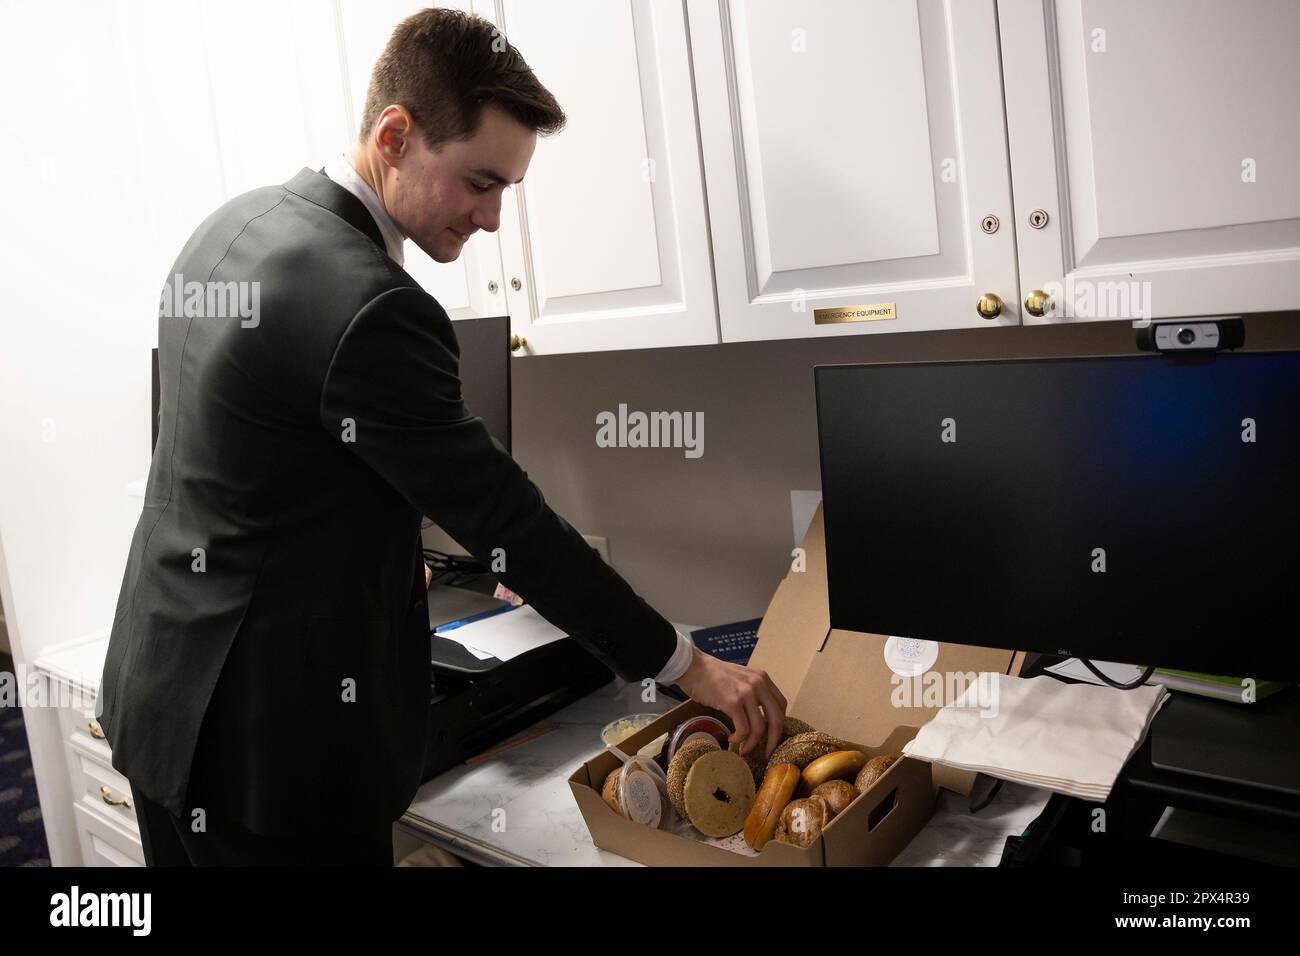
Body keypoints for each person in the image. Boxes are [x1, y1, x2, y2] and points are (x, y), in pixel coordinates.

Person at [98, 7, 786, 866]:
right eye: (479, 182)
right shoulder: (373, 302)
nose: (493, 219)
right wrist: (691, 666)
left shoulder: (230, 228)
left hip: (161, 701)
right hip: (271, 759)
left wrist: (372, 550)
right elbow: (512, 526)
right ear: (395, 135)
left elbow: (244, 468)